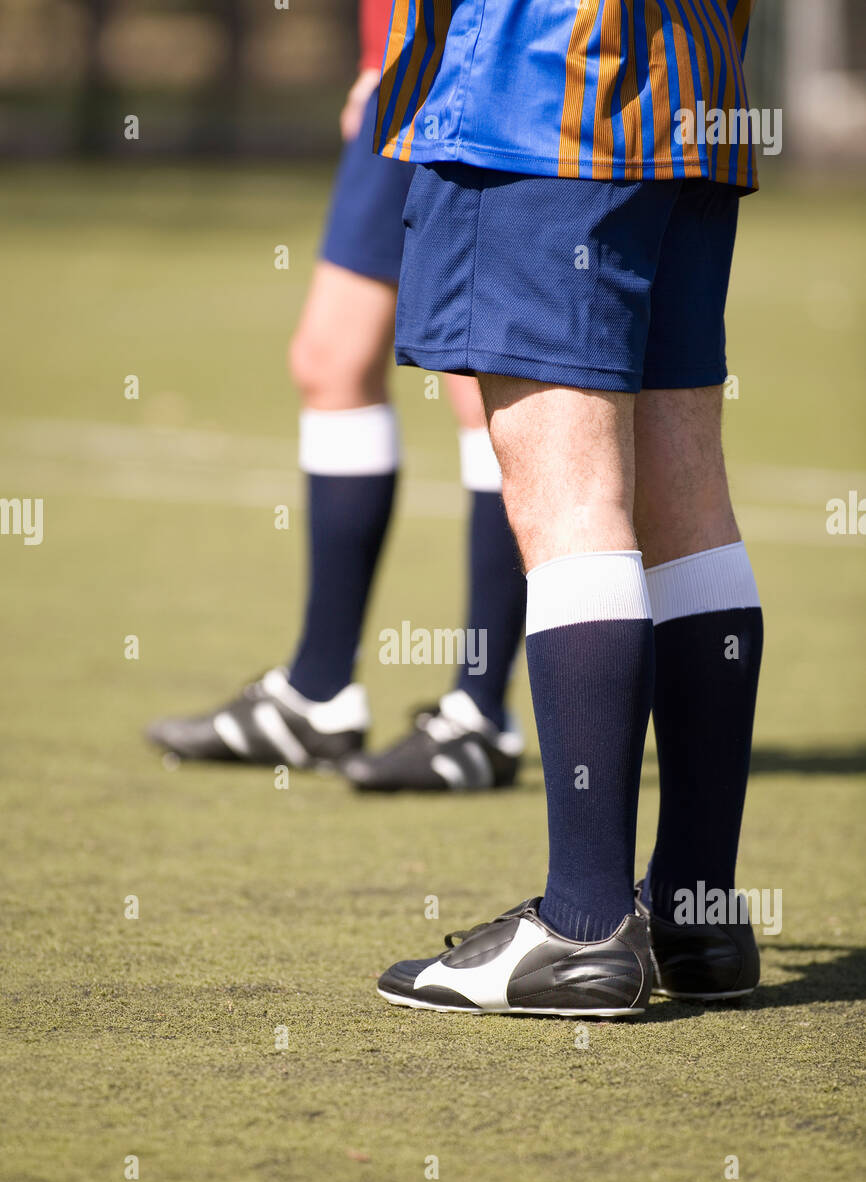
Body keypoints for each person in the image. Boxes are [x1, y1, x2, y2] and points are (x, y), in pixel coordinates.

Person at [375, 0, 764, 1015]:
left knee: (570, 500)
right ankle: (694, 908)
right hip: (691, 87)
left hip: (538, 87)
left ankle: (582, 929)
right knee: (688, 501)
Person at [146, 0, 526, 794]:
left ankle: (479, 716)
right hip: (407, 58)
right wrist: (379, 52)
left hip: (489, 61)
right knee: (331, 357)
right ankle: (317, 695)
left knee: (482, 383)